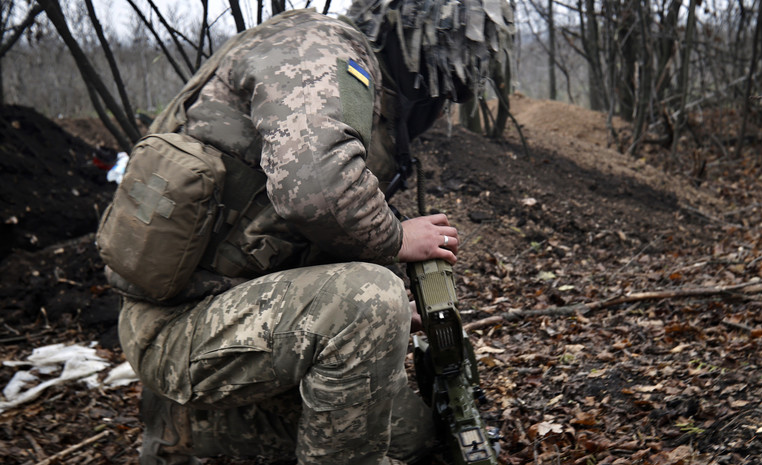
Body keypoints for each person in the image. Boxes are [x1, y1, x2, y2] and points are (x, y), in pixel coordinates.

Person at [110, 1, 513, 464]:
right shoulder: (316, 47)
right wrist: (395, 241)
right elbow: (318, 192)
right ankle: (188, 415)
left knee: (413, 437)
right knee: (368, 300)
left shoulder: (363, 81)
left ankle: (194, 426)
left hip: (231, 309)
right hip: (176, 327)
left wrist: (388, 317)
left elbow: (297, 227)